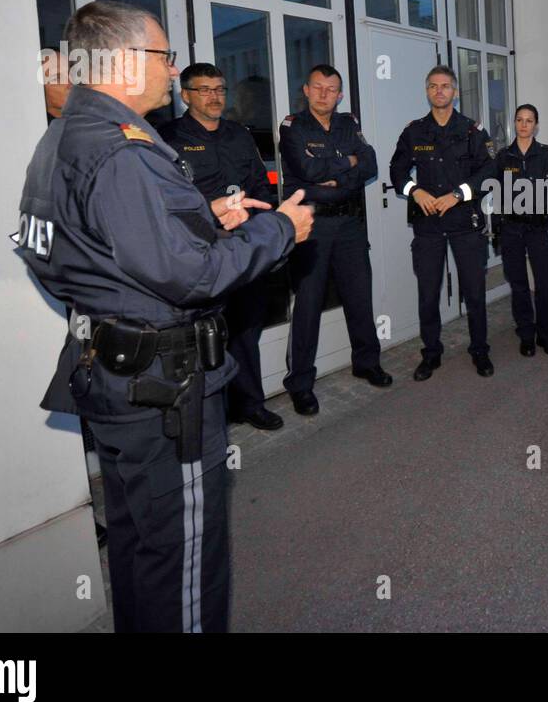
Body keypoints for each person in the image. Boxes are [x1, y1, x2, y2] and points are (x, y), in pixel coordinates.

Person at [14, 1, 313, 632]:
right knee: (184, 563)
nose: (173, 69)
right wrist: (282, 228)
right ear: (123, 62)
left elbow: (81, 250)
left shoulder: (64, 136)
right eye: (165, 55)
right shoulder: (121, 149)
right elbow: (192, 276)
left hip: (114, 374)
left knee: (139, 548)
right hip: (165, 391)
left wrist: (207, 220)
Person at [158, 63, 283, 431]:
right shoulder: (166, 138)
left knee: (245, 329)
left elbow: (260, 184)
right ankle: (208, 416)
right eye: (204, 89)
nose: (214, 96)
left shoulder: (239, 135)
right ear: (186, 95)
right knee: (201, 335)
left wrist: (259, 221)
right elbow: (165, 201)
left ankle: (250, 404)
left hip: (242, 248)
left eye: (220, 89)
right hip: (198, 253)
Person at [278, 64, 391, 415]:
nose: (325, 94)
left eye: (332, 89)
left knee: (359, 296)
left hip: (350, 224)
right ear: (306, 90)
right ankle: (300, 383)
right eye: (319, 87)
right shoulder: (292, 126)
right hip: (312, 227)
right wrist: (347, 165)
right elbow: (306, 171)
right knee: (308, 305)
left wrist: (334, 168)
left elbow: (370, 164)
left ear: (340, 95)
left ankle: (366, 361)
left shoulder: (348, 124)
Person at [390, 65, 498, 380]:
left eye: (445, 86)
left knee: (475, 292)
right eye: (434, 86)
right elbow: (396, 171)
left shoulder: (471, 130)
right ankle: (431, 354)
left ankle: (480, 351)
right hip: (428, 225)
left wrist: (460, 194)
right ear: (427, 91)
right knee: (428, 293)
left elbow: (489, 170)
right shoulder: (414, 131)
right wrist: (414, 191)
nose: (440, 91)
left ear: (454, 91)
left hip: (465, 222)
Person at [493, 104, 548, 357]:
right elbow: (495, 193)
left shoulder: (547, 155)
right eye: (519, 120)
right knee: (519, 284)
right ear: (514, 123)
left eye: (529, 120)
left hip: (537, 229)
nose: (524, 125)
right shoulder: (503, 157)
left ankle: (545, 334)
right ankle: (526, 334)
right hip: (511, 229)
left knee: (546, 281)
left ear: (536, 125)